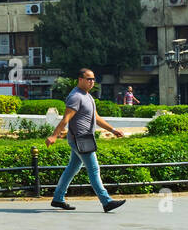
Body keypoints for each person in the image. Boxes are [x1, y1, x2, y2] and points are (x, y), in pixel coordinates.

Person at [46, 68, 127, 212]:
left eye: (93, 79)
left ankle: (58, 198)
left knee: (72, 168)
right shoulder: (76, 96)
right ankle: (106, 201)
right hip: (80, 139)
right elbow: (66, 119)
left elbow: (96, 118)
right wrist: (54, 135)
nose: (92, 82)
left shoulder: (87, 96)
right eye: (89, 79)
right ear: (80, 80)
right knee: (94, 169)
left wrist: (113, 130)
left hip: (84, 138)